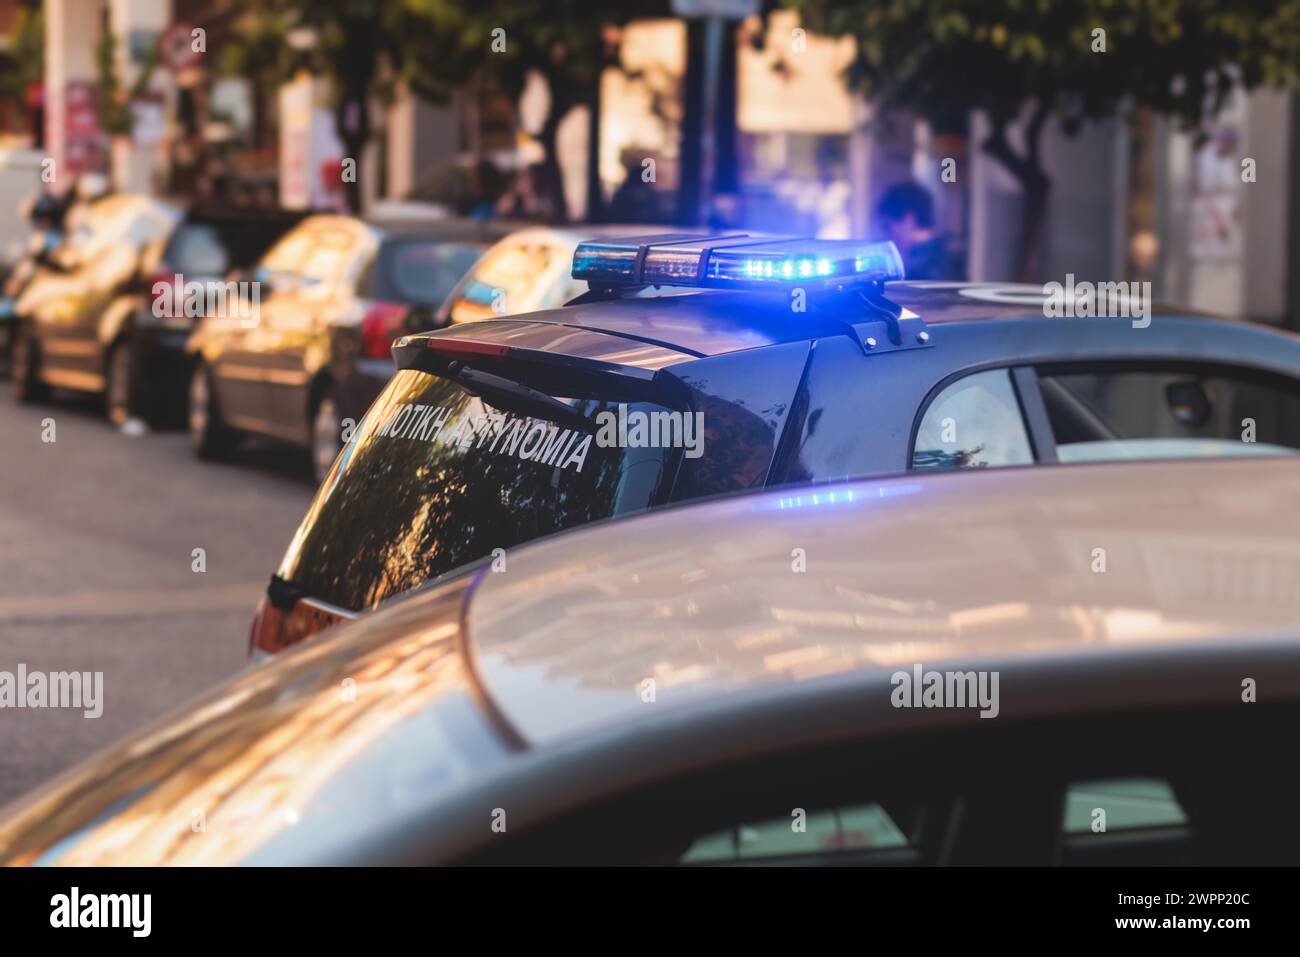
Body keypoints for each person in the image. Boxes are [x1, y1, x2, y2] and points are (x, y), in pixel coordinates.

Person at [876, 181, 957, 280]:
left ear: (908, 220)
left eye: (887, 226)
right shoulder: (949, 252)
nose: (886, 235)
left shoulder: (920, 267)